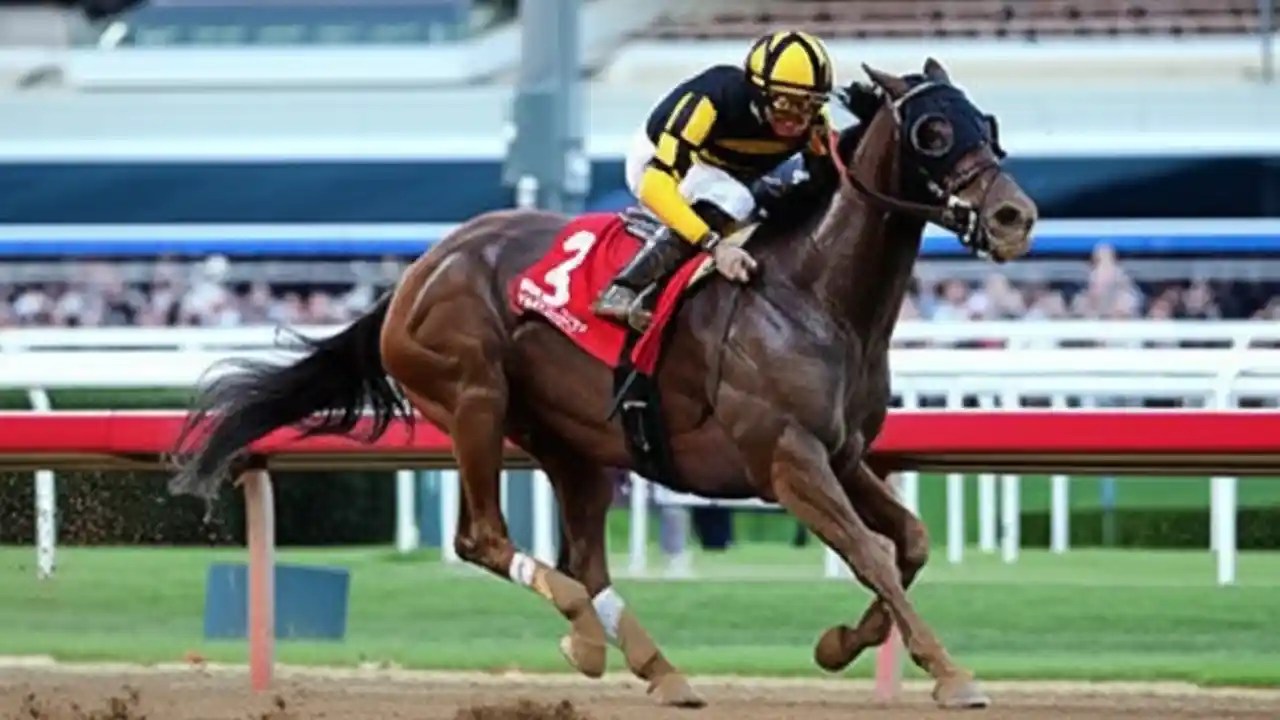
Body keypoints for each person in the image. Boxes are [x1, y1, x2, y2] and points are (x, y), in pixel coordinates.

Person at [590, 29, 846, 331]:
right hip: (664, 163)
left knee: (799, 185)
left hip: (734, 171)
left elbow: (832, 183)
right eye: (784, 103)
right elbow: (654, 185)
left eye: (808, 104)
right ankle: (625, 287)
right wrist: (715, 246)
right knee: (735, 198)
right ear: (757, 92)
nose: (795, 118)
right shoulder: (710, 100)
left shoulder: (815, 122)